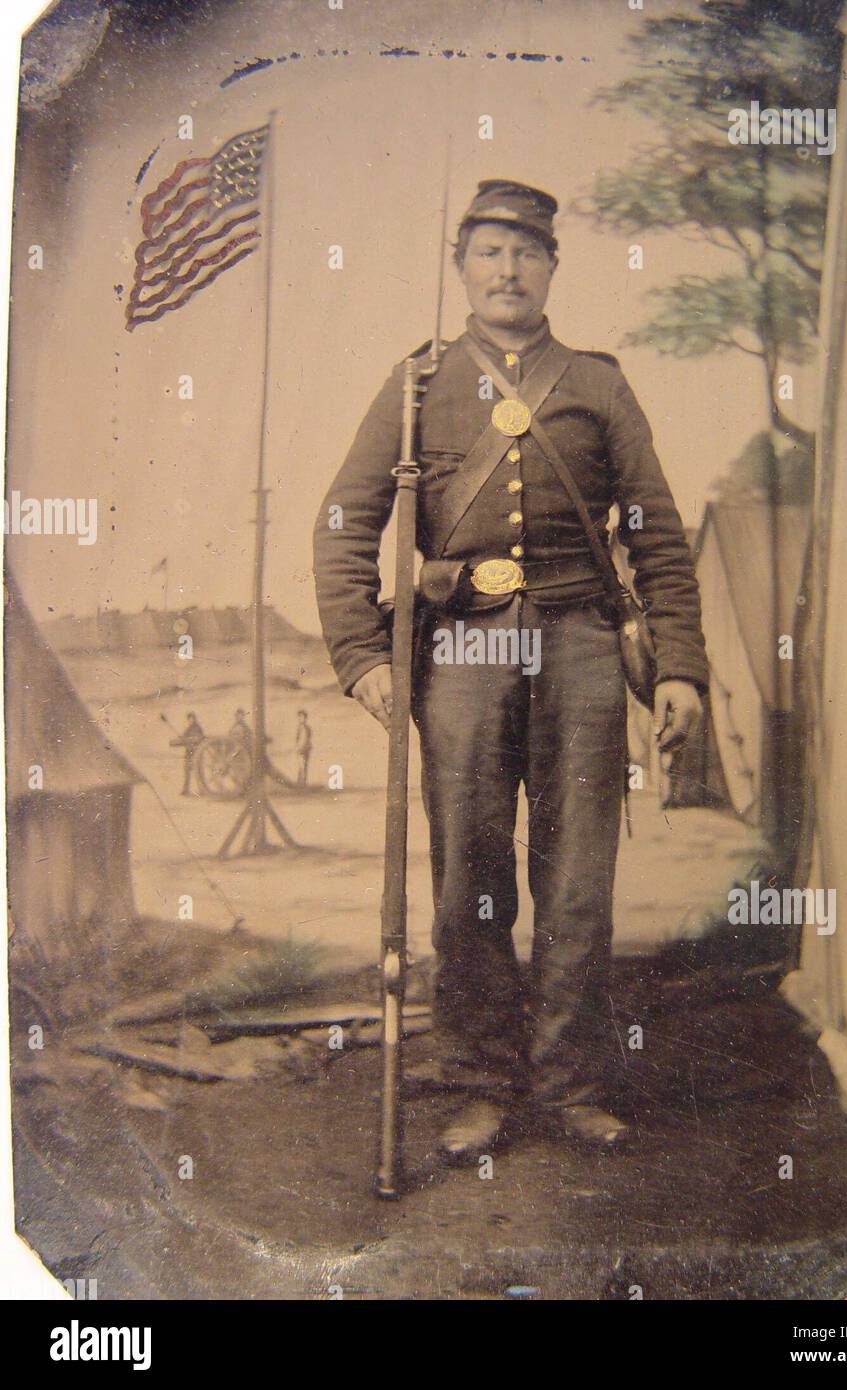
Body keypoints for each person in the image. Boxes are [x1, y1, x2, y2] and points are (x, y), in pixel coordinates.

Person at [313, 180, 707, 1161]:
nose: (508, 270)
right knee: (471, 881)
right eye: (488, 251)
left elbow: (658, 536)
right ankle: (481, 1081)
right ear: (461, 266)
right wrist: (362, 654)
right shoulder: (416, 384)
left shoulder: (598, 383)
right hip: (466, 651)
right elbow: (343, 524)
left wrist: (681, 669)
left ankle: (572, 1083)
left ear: (553, 268)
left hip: (578, 641)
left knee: (578, 879)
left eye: (526, 253)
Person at [170, 711, 205, 796]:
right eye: (189, 719)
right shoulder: (188, 728)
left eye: (191, 718)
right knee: (187, 772)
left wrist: (189, 740)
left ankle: (202, 790)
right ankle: (185, 790)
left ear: (194, 719)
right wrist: (181, 738)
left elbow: (199, 739)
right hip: (189, 753)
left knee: (198, 772)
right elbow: (184, 737)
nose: (190, 720)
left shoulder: (198, 728)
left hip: (196, 754)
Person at [295, 709, 312, 786]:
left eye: (302, 717)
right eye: (299, 717)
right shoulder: (299, 727)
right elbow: (297, 739)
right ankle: (299, 782)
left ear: (305, 718)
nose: (301, 719)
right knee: (300, 765)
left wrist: (302, 748)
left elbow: (306, 740)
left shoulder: (306, 728)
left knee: (303, 765)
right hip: (300, 749)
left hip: (304, 749)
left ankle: (303, 783)